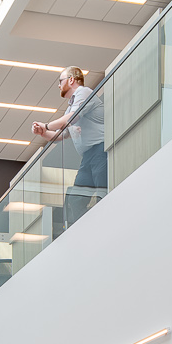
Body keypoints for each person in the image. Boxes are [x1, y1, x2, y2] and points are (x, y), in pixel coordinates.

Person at [33, 66, 106, 228]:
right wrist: (42, 132)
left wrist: (46, 125)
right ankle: (89, 227)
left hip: (101, 151)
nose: (59, 85)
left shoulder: (84, 92)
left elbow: (71, 119)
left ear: (71, 80)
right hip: (87, 158)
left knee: (103, 192)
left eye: (61, 81)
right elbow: (61, 135)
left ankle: (104, 223)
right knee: (76, 199)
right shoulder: (70, 106)